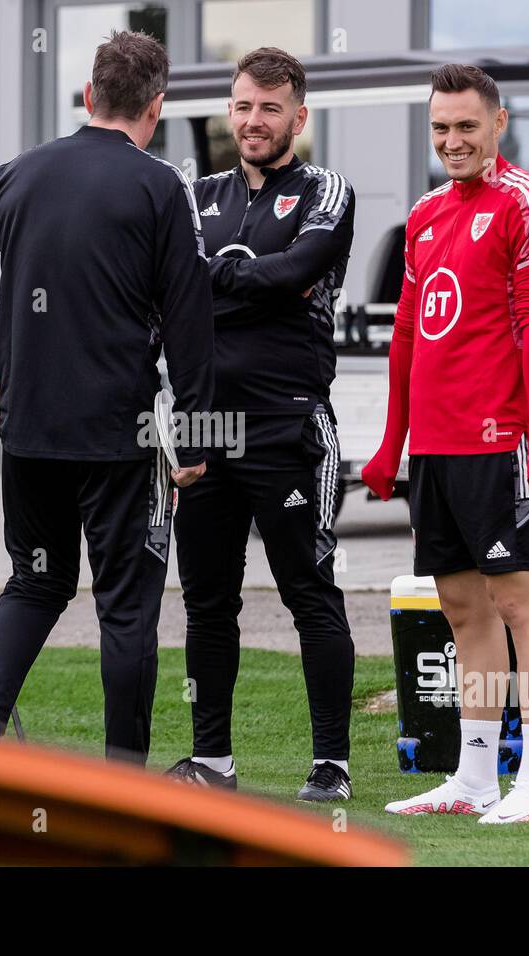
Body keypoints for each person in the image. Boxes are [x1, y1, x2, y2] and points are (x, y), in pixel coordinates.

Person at [0, 30, 214, 763]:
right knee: (126, 608)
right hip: (121, 437)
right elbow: (189, 323)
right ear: (156, 107)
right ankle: (122, 778)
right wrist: (201, 437)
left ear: (89, 96)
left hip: (30, 431)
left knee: (35, 582)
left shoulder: (19, 172)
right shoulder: (159, 186)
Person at [364, 64, 529, 823]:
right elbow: (410, 337)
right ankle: (476, 777)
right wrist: (392, 445)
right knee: (461, 609)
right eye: (441, 128)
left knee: (521, 603)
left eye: (467, 127)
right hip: (438, 448)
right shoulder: (423, 214)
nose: (453, 141)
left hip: (501, 442)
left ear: (499, 124)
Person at [164, 48, 357, 801]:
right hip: (206, 431)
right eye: (243, 106)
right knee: (208, 602)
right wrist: (239, 283)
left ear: (298, 117)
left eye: (270, 108)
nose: (253, 121)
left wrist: (204, 277)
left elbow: (291, 273)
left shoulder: (325, 189)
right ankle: (212, 760)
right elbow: (167, 286)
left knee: (310, 593)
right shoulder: (193, 191)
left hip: (290, 427)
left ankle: (331, 766)